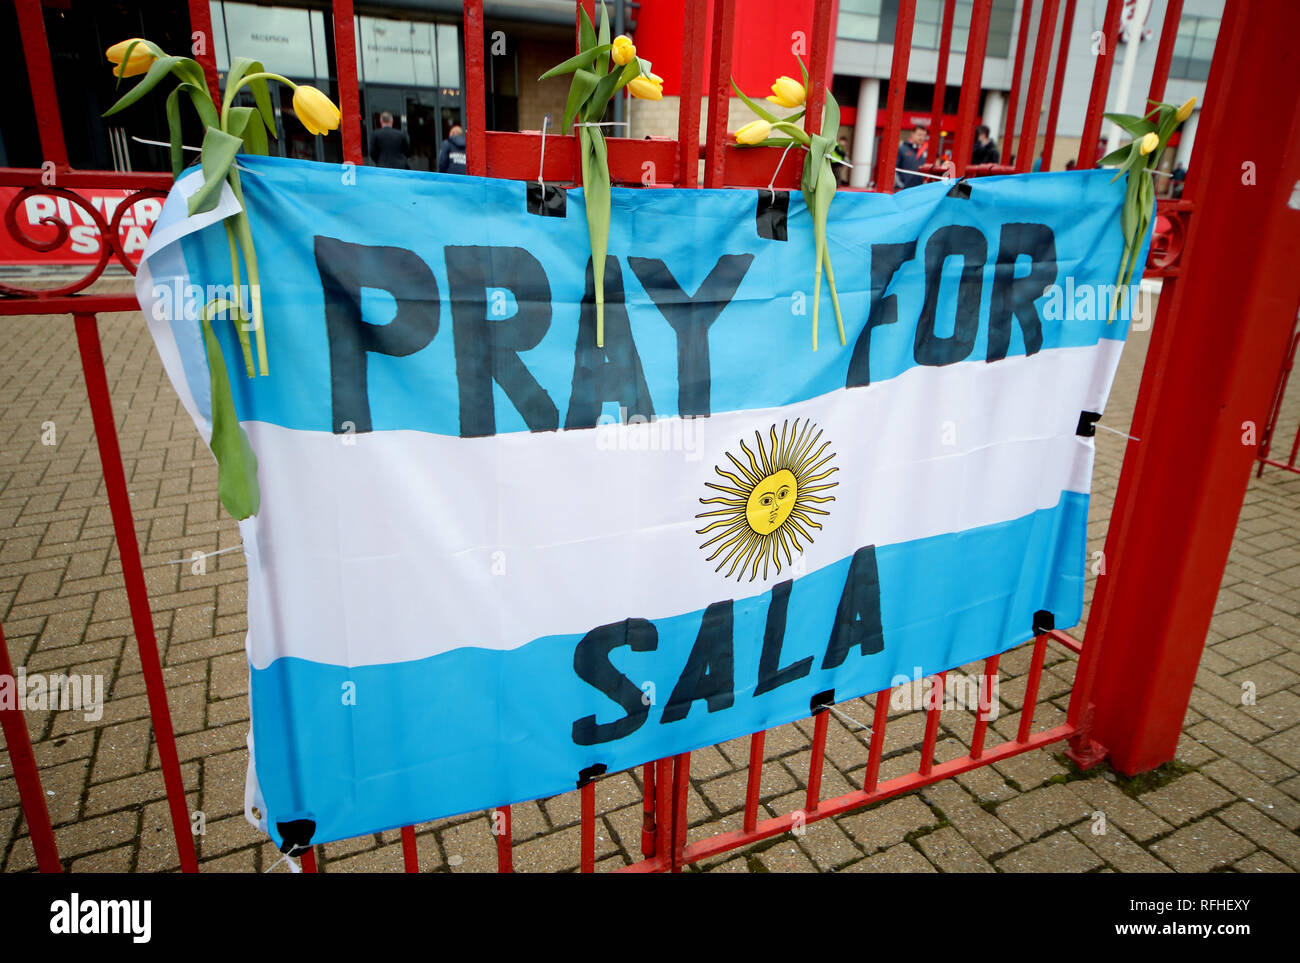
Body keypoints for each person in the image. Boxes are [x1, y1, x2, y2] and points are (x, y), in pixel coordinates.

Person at [895, 125, 927, 189]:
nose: (922, 138)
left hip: (920, 189)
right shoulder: (902, 149)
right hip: (904, 189)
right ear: (912, 134)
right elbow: (895, 169)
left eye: (924, 135)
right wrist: (901, 185)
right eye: (919, 135)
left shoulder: (926, 151)